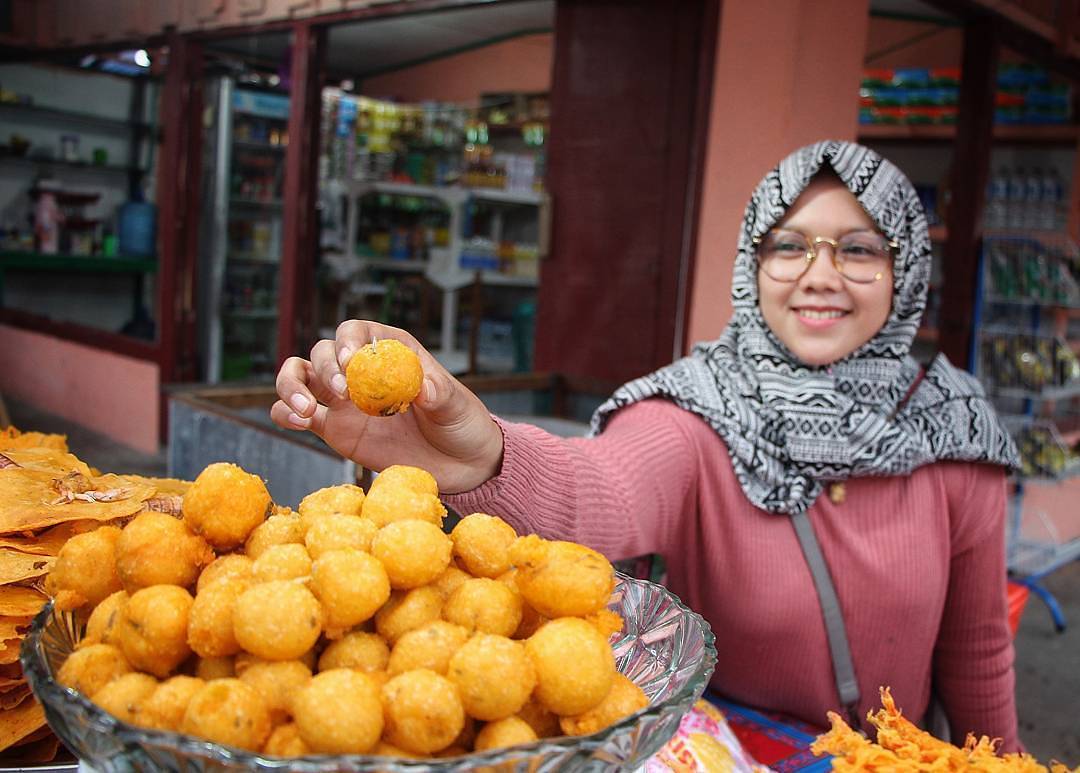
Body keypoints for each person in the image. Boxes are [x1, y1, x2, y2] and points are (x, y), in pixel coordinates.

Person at [272, 140, 1021, 749]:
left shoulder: (952, 432)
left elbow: (979, 654)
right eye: (788, 246)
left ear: (906, 272)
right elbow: (601, 487)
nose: (820, 274)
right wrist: (483, 454)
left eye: (859, 250)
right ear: (753, 267)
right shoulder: (698, 410)